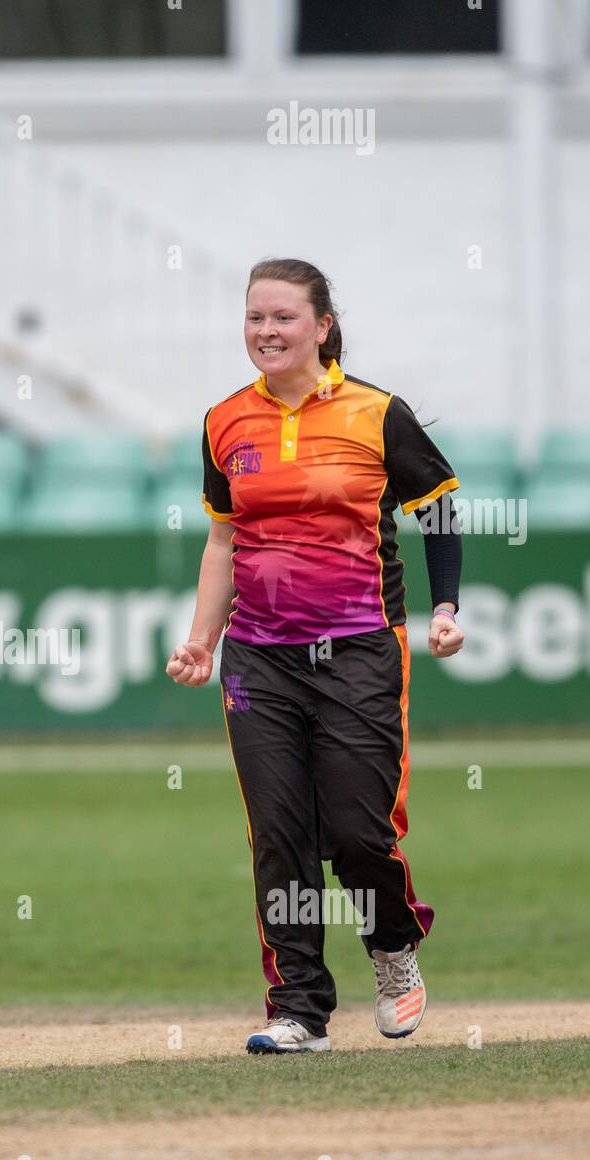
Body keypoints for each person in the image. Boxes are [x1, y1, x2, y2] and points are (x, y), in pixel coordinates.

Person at [167, 259, 464, 1054]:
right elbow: (225, 537)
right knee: (280, 834)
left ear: (321, 326)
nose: (266, 331)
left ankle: (394, 948)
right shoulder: (224, 421)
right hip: (259, 658)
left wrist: (445, 608)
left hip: (362, 649)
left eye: (283, 318)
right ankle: (298, 1008)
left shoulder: (377, 413)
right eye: (255, 317)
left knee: (359, 834)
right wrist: (202, 637)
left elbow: (439, 509)